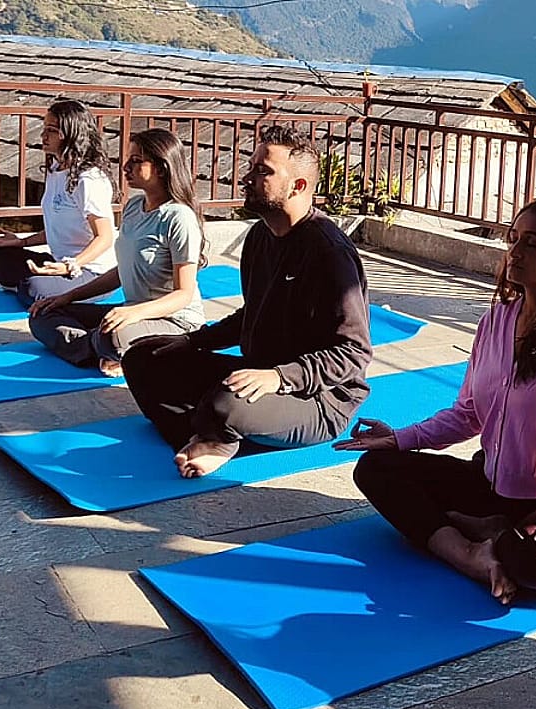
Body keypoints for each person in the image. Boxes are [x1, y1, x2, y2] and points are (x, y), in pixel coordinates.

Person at [334, 197, 536, 605]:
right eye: (514, 240)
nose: (515, 253)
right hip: (491, 487)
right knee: (376, 468)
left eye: (532, 243)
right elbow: (469, 412)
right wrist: (401, 438)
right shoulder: (497, 321)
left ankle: (490, 535)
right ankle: (470, 553)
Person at [121, 125, 371, 479]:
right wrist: (190, 341)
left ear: (298, 186)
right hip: (255, 374)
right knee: (143, 358)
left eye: (262, 171)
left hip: (316, 399)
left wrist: (280, 377)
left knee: (226, 404)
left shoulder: (329, 253)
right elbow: (252, 315)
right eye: (251, 167)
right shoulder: (259, 237)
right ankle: (205, 434)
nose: (246, 178)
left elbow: (353, 352)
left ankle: (217, 431)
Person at [26, 128, 205, 377]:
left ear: (162, 168)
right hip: (130, 311)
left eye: (136, 161)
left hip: (174, 320)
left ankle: (105, 348)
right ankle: (102, 350)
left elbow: (183, 295)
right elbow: (123, 271)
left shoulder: (179, 218)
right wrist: (68, 296)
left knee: (112, 337)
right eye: (127, 160)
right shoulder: (133, 207)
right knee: (43, 313)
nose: (125, 167)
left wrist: (135, 313)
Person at [0, 98, 116, 306]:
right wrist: (21, 242)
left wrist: (72, 265)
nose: (43, 135)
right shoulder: (55, 170)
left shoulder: (89, 179)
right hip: (58, 264)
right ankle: (39, 283)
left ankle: (41, 286)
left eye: (51, 130)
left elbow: (104, 237)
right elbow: (60, 229)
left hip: (91, 272)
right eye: (44, 128)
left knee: (34, 288)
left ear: (70, 135)